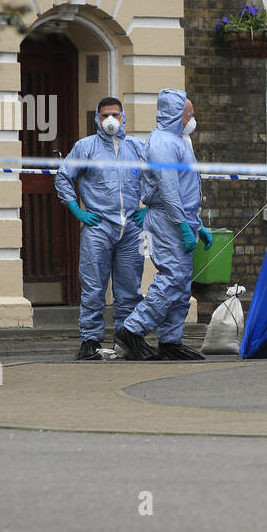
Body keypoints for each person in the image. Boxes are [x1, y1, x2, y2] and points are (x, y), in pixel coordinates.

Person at [114, 88, 212, 361]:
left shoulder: (176, 141)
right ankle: (132, 330)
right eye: (188, 114)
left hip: (179, 219)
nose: (191, 119)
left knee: (181, 285)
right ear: (177, 113)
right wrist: (182, 224)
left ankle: (170, 340)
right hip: (168, 220)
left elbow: (185, 188)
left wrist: (197, 224)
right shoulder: (163, 144)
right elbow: (168, 189)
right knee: (171, 278)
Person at [54, 97, 147, 360]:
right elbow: (63, 177)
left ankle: (127, 339)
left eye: (115, 114)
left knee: (129, 288)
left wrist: (147, 208)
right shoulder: (86, 147)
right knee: (94, 288)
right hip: (98, 227)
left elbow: (156, 178)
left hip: (130, 227)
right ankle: (90, 341)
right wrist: (77, 209)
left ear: (123, 116)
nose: (111, 120)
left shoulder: (137, 147)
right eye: (106, 115)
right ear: (97, 118)